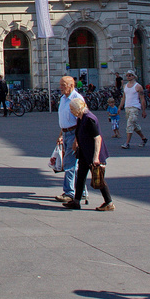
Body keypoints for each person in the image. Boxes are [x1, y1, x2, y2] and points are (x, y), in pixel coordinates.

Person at [63, 97, 113, 211]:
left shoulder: (89, 119)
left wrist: (96, 158)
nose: (70, 111)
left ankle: (109, 202)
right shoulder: (80, 118)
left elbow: (97, 138)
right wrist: (76, 142)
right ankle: (76, 201)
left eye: (71, 109)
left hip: (93, 153)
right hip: (84, 152)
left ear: (78, 108)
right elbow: (79, 132)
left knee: (98, 178)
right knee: (80, 176)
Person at [56, 75, 85, 204]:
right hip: (66, 133)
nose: (60, 88)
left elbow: (82, 119)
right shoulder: (63, 99)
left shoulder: (77, 99)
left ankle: (69, 192)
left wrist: (77, 139)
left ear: (71, 86)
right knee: (74, 164)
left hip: (74, 133)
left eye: (63, 85)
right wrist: (61, 134)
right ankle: (82, 191)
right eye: (60, 85)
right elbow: (64, 119)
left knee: (69, 163)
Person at [120, 71, 148, 149]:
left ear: (134, 76)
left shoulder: (138, 86)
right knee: (133, 125)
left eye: (130, 75)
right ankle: (143, 138)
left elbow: (142, 99)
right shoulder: (125, 86)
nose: (128, 77)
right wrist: (120, 107)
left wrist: (143, 110)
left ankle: (127, 143)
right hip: (127, 107)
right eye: (127, 75)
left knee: (129, 124)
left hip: (134, 107)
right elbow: (124, 98)